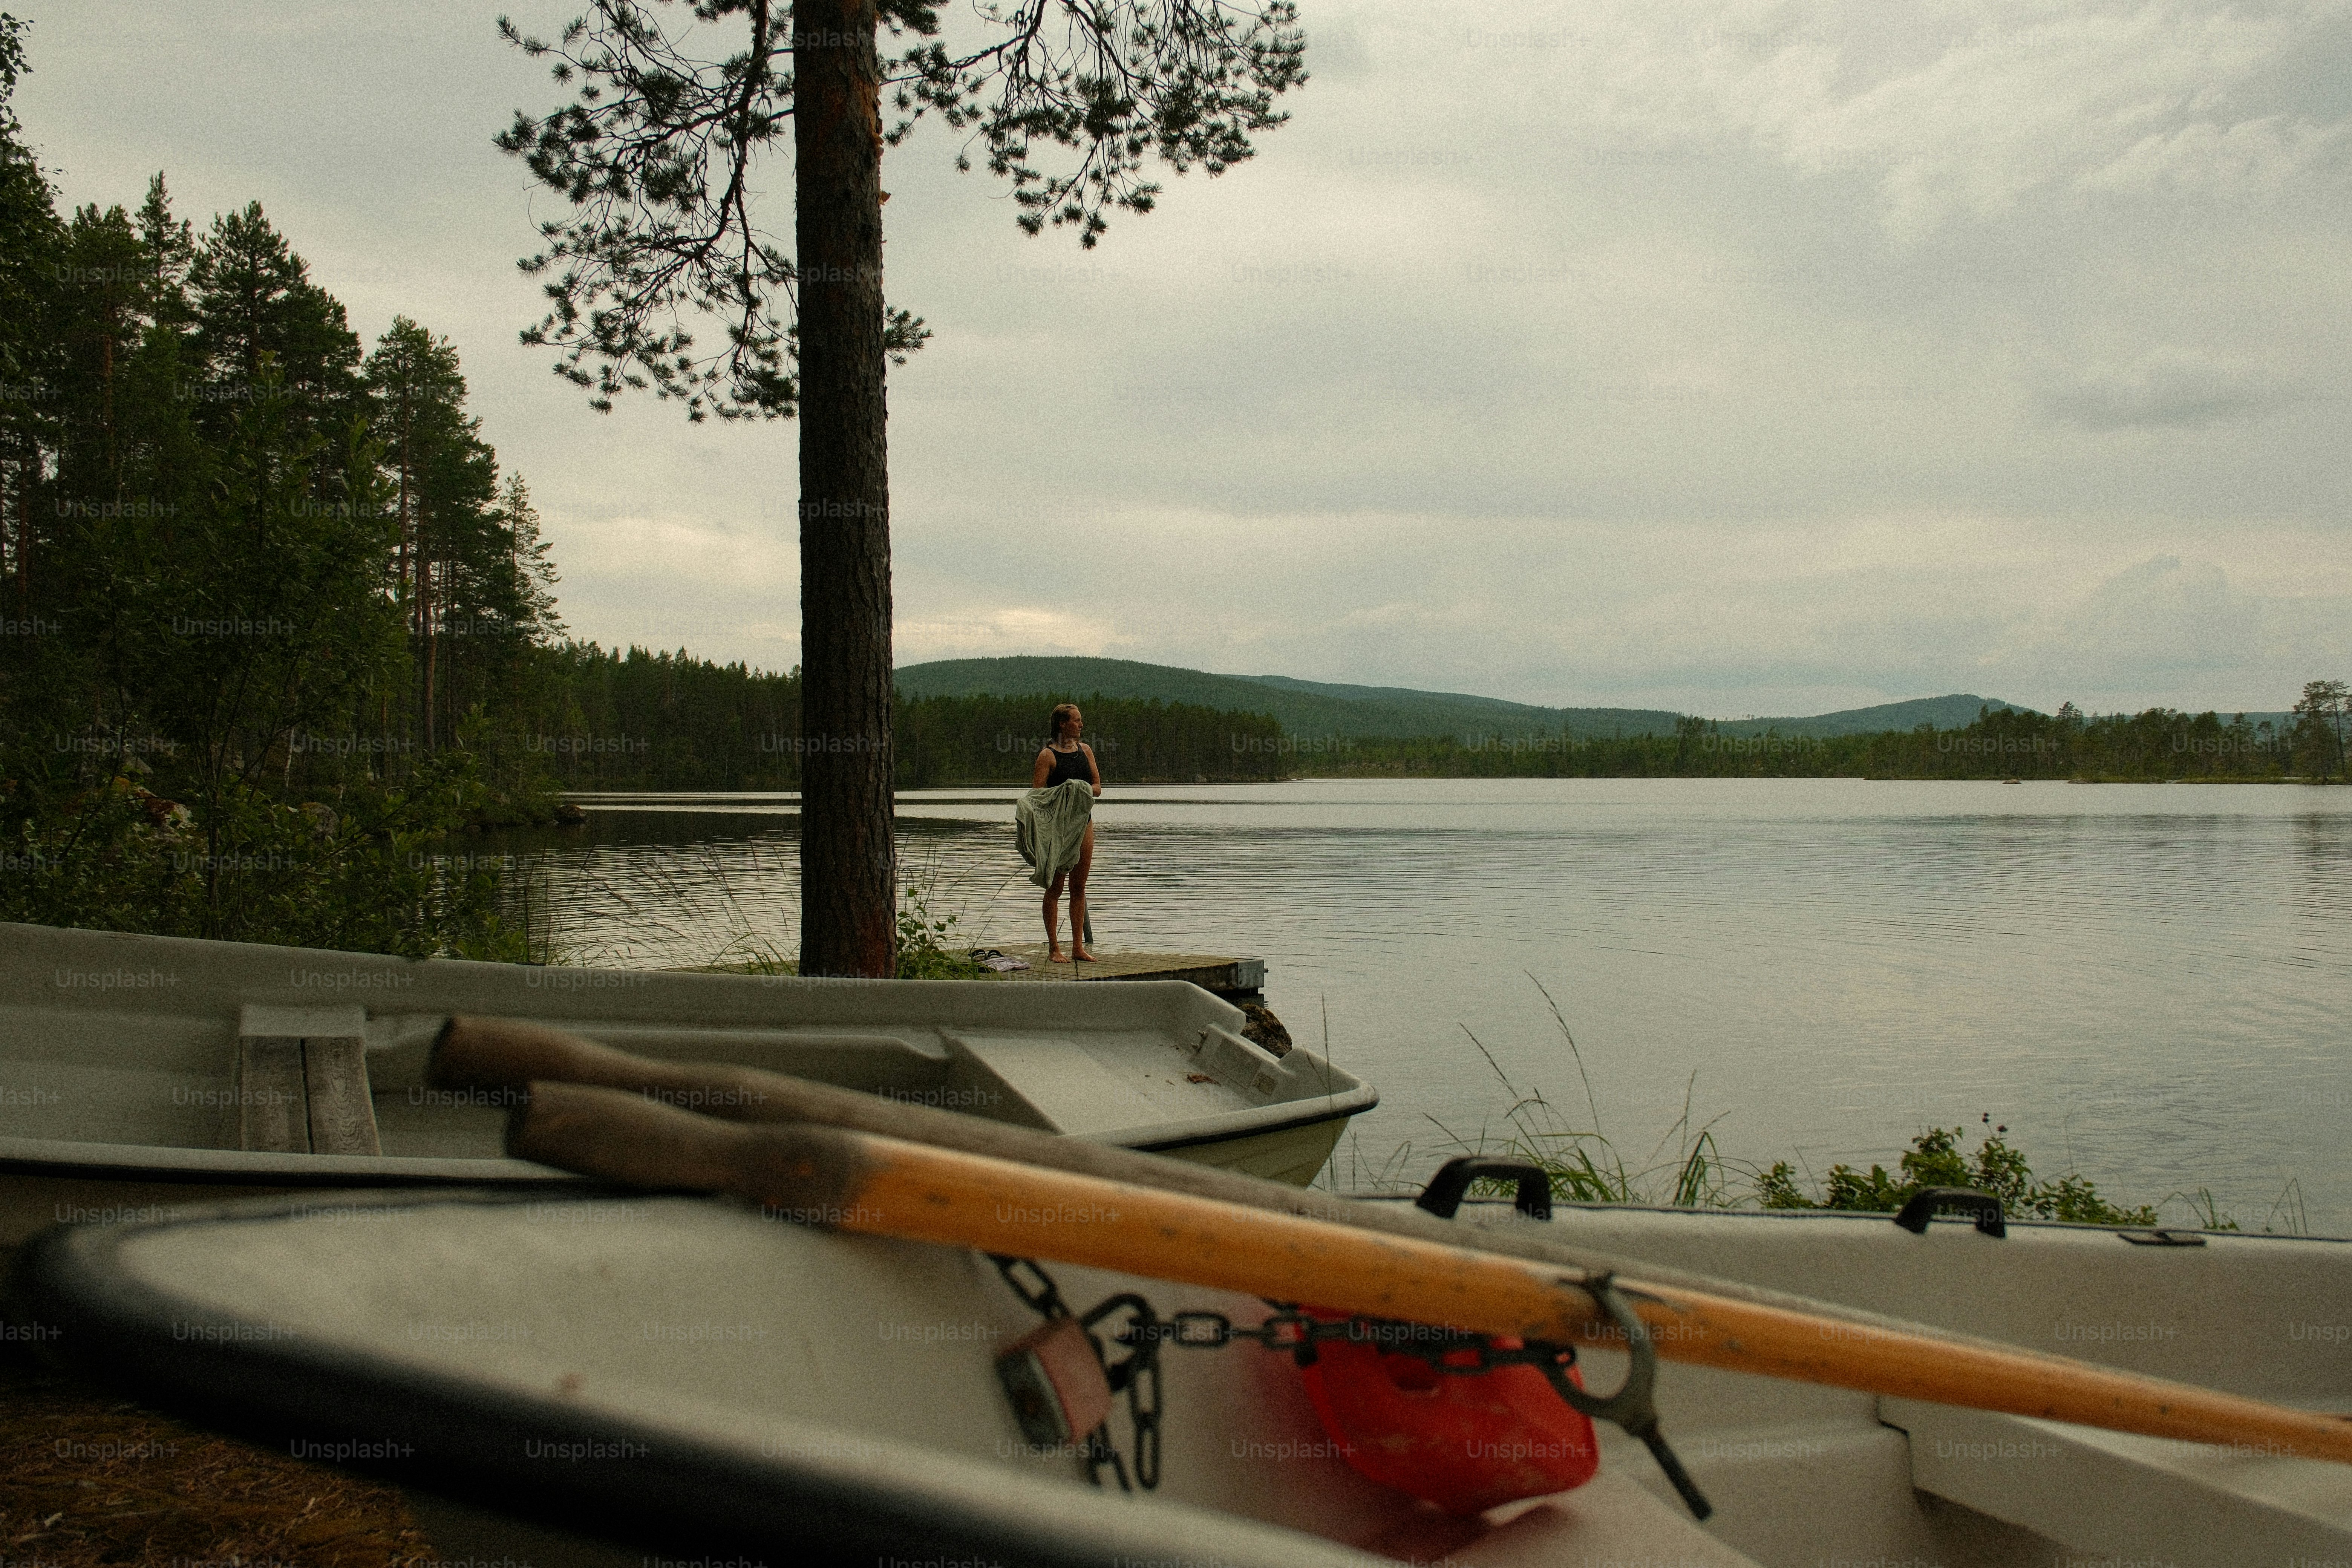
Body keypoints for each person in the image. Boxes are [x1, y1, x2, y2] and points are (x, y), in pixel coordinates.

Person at [1031, 702, 1101, 961]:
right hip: (1058, 829)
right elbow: (1037, 797)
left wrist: (1079, 788)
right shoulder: (1047, 756)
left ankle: (1078, 948)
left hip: (1083, 824)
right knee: (1056, 887)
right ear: (1063, 724)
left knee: (1079, 887)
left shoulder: (1086, 751)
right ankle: (1054, 948)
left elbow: (1097, 787)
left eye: (1081, 720)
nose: (1081, 725)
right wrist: (1063, 791)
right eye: (1076, 720)